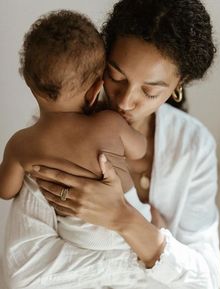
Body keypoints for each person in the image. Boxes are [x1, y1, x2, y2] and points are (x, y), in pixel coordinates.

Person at [2, 0, 220, 288]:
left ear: (179, 83)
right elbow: (25, 274)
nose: (124, 101)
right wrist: (149, 251)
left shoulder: (193, 146)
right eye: (116, 77)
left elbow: (206, 279)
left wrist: (123, 218)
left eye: (149, 91)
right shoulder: (50, 144)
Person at [0, 9, 154, 289]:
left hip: (76, 238)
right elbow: (140, 150)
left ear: (29, 84)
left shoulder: (21, 144)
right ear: (96, 88)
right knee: (151, 221)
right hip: (128, 227)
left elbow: (5, 190)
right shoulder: (109, 123)